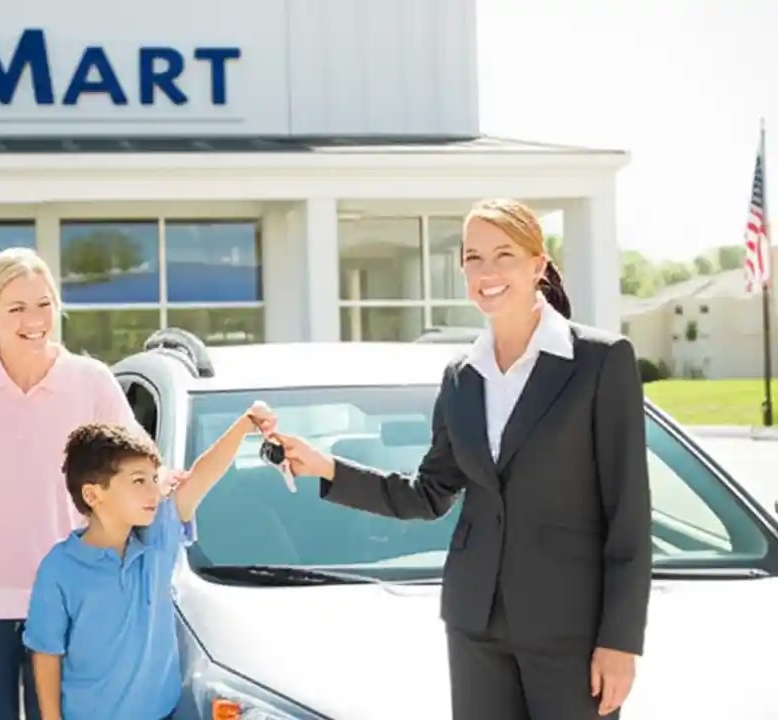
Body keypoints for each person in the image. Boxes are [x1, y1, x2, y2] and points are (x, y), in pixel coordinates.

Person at [277, 198, 652, 720]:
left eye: (504, 255)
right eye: (473, 258)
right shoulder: (461, 375)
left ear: (538, 265)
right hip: (476, 626)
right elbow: (428, 495)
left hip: (572, 632)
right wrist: (326, 467)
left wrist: (621, 640)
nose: (487, 272)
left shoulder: (600, 361)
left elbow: (628, 513)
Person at [0, 248, 145, 720]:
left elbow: (138, 473)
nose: (34, 320)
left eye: (44, 304)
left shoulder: (91, 381)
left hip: (69, 594)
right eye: (16, 308)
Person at [23, 406, 276, 720]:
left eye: (155, 479)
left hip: (161, 714)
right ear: (92, 494)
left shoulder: (157, 541)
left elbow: (202, 476)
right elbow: (47, 652)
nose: (154, 492)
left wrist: (242, 426)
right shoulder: (59, 568)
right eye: (138, 481)